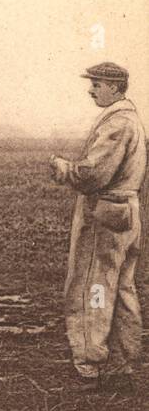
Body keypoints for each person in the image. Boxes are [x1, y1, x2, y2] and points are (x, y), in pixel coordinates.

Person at [49, 62, 146, 390]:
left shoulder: (117, 123)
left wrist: (64, 169)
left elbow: (93, 175)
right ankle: (122, 363)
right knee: (121, 286)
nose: (91, 89)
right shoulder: (130, 119)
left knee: (91, 287)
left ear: (116, 88)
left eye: (98, 84)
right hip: (125, 211)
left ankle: (90, 368)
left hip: (105, 213)